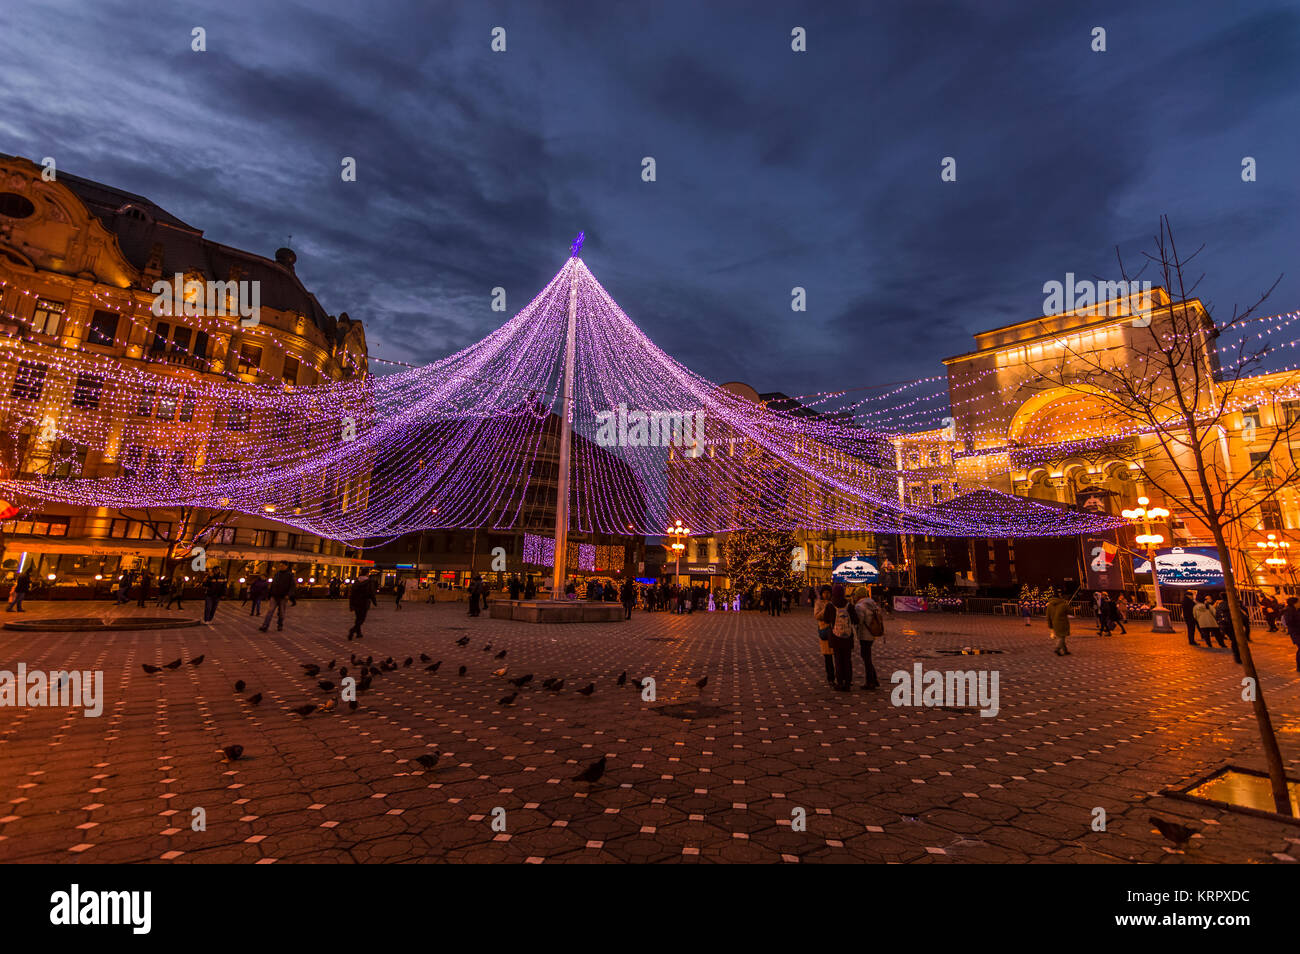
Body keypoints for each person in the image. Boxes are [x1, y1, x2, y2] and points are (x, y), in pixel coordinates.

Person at [819, 584, 857, 691]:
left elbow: (826, 620)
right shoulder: (849, 605)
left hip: (835, 637)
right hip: (847, 637)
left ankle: (840, 682)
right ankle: (848, 682)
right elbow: (855, 620)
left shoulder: (830, 605)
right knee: (847, 660)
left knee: (838, 660)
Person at [852, 585, 882, 689]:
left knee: (866, 658)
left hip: (864, 634)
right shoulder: (872, 603)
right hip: (872, 633)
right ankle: (874, 679)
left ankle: (870, 681)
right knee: (867, 657)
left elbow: (859, 621)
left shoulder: (859, 606)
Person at [812, 585, 837, 688]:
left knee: (838, 657)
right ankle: (830, 678)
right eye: (824, 592)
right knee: (828, 658)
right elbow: (817, 615)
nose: (826, 594)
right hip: (825, 631)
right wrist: (827, 609)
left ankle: (840, 677)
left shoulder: (835, 602)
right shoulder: (819, 603)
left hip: (836, 631)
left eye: (828, 592)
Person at [259, 562, 296, 632]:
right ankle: (265, 625)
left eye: (282, 565)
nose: (280, 567)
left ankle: (280, 625)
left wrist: (288, 595)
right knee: (270, 611)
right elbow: (273, 584)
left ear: (286, 566)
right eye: (280, 565)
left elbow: (292, 586)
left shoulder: (290, 575)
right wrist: (269, 594)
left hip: (283, 596)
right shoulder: (277, 574)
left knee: (281, 612)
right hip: (274, 595)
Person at [348, 569, 378, 640]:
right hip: (364, 602)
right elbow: (371, 592)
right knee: (362, 619)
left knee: (358, 617)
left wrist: (351, 605)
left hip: (356, 602)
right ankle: (352, 630)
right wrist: (374, 601)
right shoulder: (369, 582)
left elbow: (352, 594)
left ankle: (359, 633)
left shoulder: (356, 582)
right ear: (367, 574)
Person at [1214, 596, 1244, 665]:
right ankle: (1238, 657)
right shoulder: (1231, 605)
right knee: (1236, 641)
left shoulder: (1219, 606)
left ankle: (1237, 656)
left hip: (1224, 625)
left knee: (1234, 640)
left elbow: (1216, 616)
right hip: (1232, 624)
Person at [1282, 596, 1300, 672]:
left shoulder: (1297, 610)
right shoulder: (1288, 610)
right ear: (1294, 603)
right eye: (1299, 602)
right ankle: (1299, 666)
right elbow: (1289, 622)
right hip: (1295, 632)